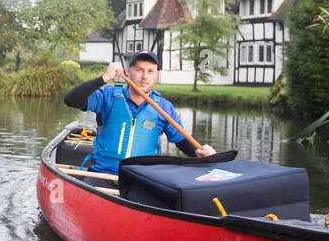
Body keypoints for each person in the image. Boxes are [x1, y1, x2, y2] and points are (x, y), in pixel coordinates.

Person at [63, 50, 215, 174]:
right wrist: (104, 78)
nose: (145, 76)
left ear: (156, 74)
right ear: (129, 71)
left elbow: (181, 141)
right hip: (103, 173)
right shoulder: (108, 96)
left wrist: (199, 152)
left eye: (150, 71)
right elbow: (71, 99)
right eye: (139, 70)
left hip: (141, 180)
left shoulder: (164, 107)